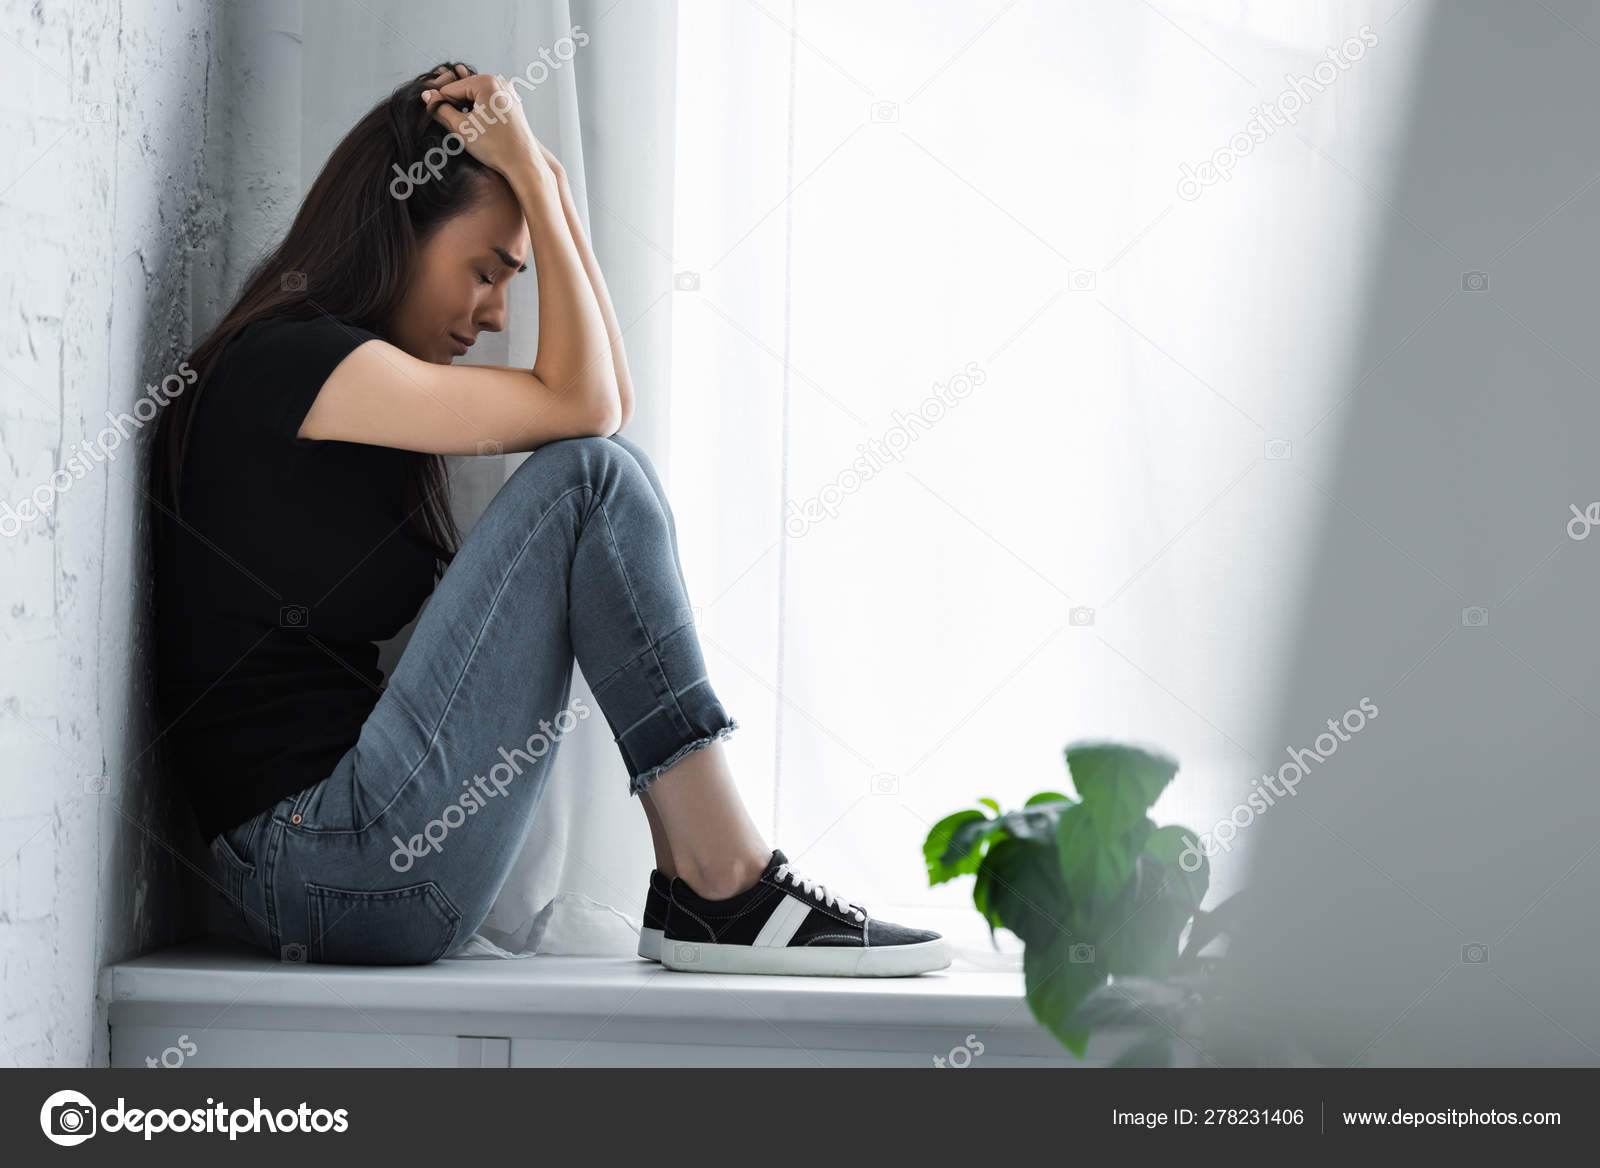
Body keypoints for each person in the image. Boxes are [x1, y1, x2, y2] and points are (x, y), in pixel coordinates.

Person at [150, 62, 948, 977]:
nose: (495, 316)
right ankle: (722, 883)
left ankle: (714, 887)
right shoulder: (294, 363)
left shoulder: (330, 381)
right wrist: (527, 175)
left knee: (602, 472)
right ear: (398, 231)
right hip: (328, 865)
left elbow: (611, 400)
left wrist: (553, 198)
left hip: (338, 869)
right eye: (487, 273)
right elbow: (591, 419)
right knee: (590, 483)